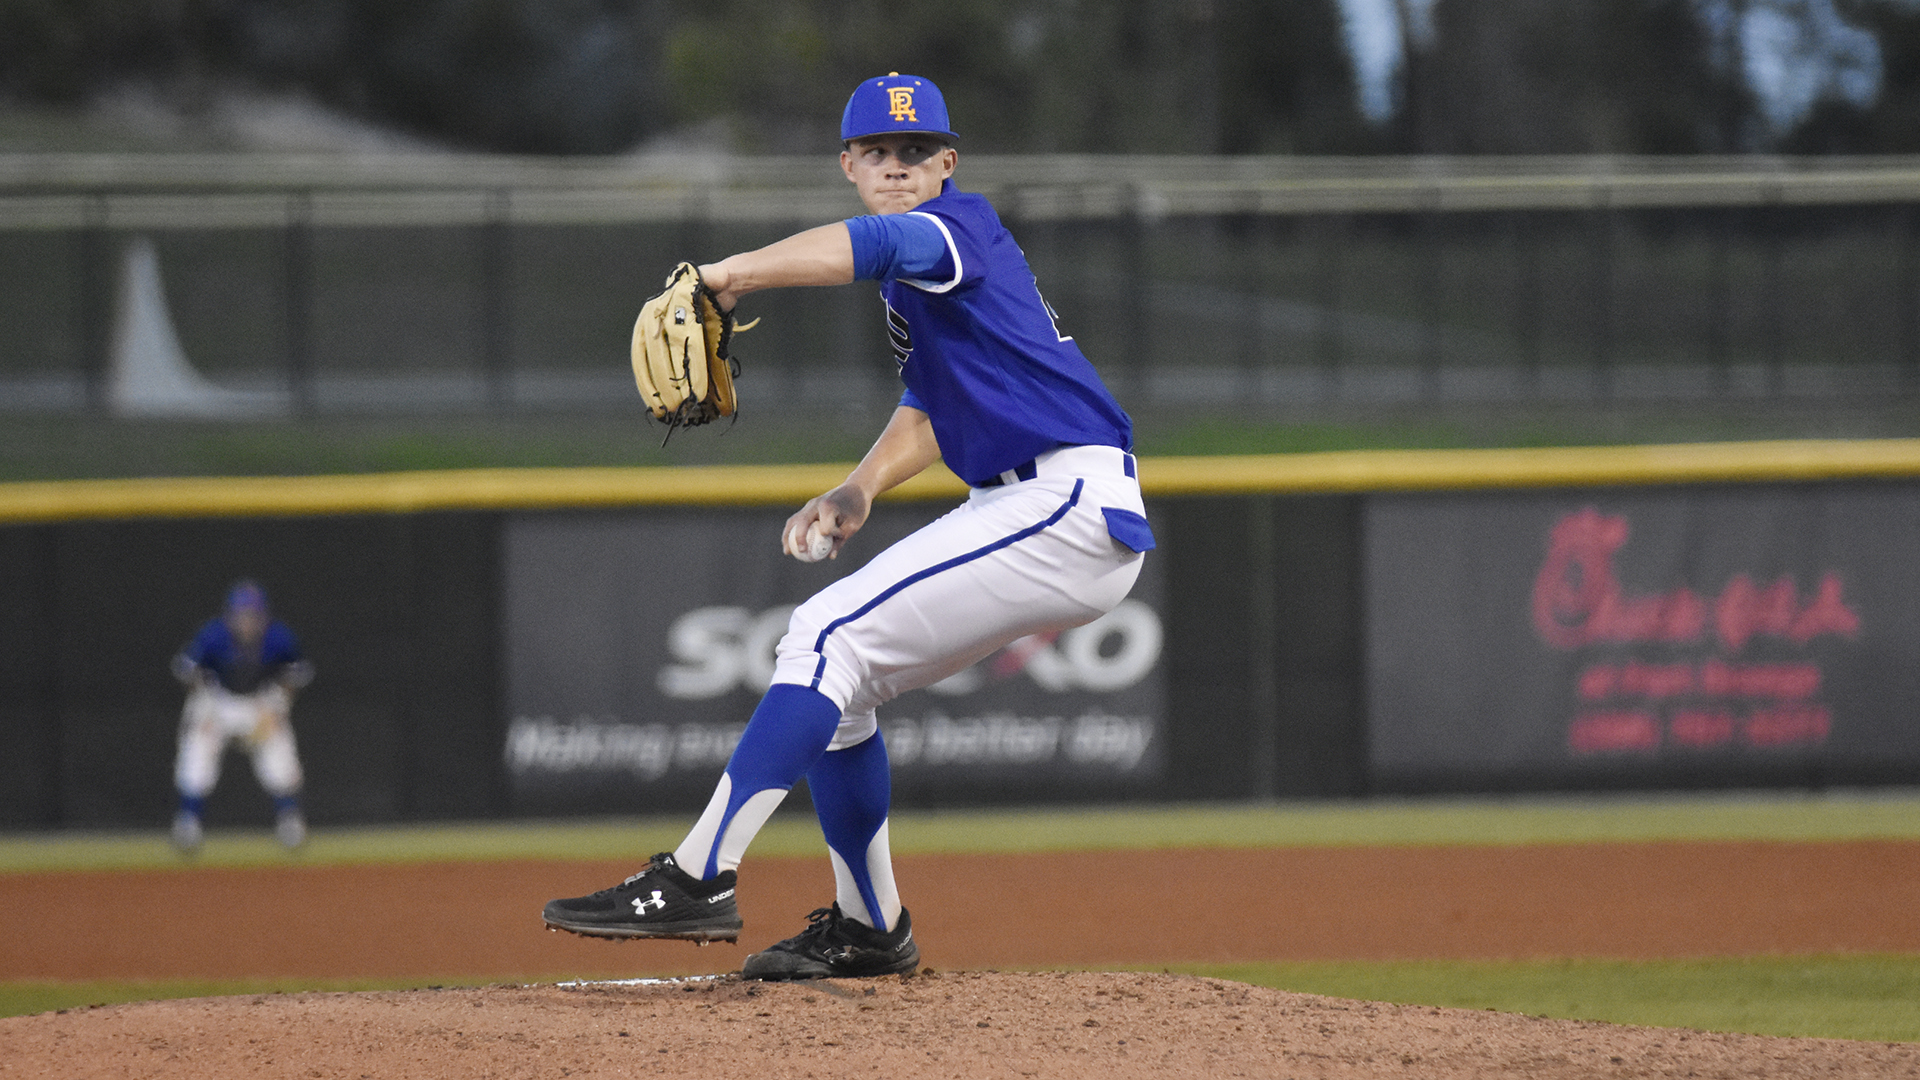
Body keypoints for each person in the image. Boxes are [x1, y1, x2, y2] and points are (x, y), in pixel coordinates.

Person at [541, 73, 1154, 980]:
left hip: (1065, 501)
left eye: (917, 152)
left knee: (821, 633)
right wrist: (859, 489)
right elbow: (932, 406)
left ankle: (699, 872)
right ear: (848, 164)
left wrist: (729, 274)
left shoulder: (955, 229)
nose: (898, 167)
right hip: (1032, 505)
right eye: (878, 153)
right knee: (842, 695)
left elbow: (874, 243)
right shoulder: (923, 289)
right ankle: (871, 926)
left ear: (949, 164)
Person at [169, 579, 314, 852]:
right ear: (230, 615)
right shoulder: (213, 635)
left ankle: (290, 821)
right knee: (197, 752)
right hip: (218, 699)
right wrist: (203, 706)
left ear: (263, 617)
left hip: (260, 701)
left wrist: (278, 706)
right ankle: (188, 821)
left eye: (253, 616)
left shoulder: (278, 637)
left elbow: (296, 675)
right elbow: (187, 671)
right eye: (241, 615)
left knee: (280, 756)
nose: (246, 622)